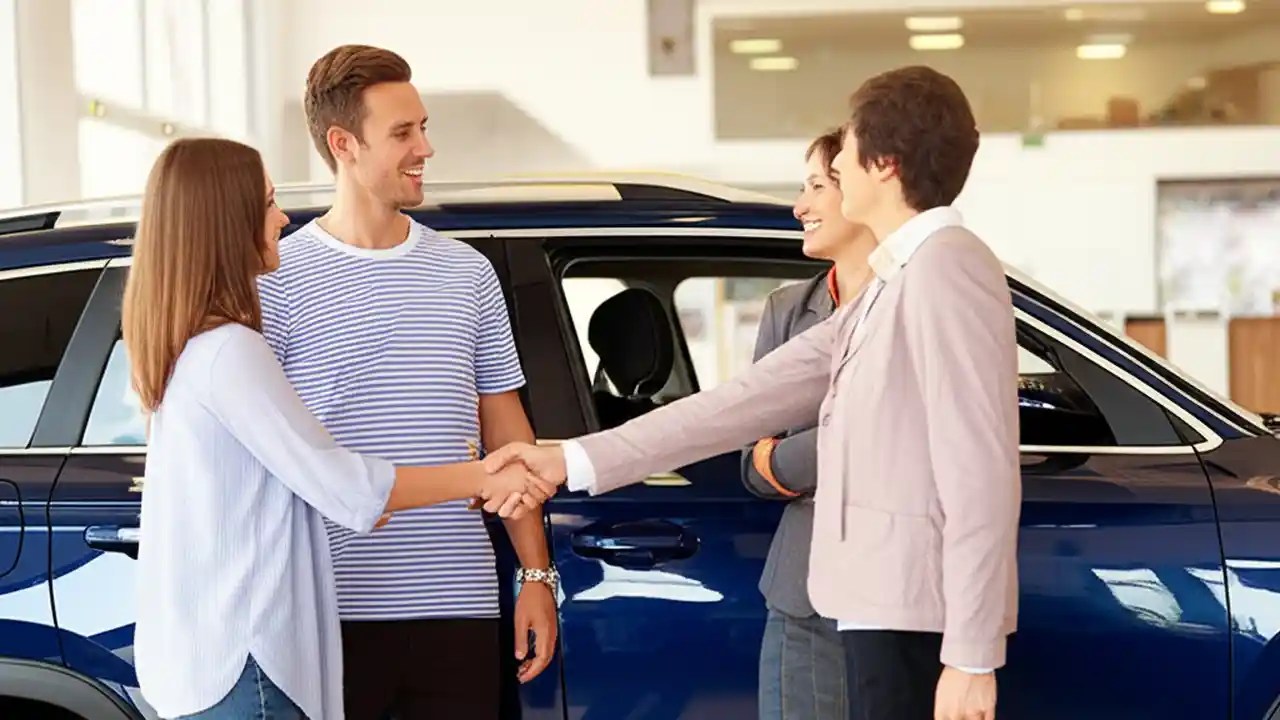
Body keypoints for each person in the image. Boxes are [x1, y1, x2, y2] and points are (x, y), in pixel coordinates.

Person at [485, 65, 1020, 720]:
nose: (837, 168)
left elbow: (980, 473)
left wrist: (971, 657)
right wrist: (570, 459)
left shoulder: (946, 267)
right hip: (874, 604)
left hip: (909, 611)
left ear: (884, 164)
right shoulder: (894, 280)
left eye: (845, 152)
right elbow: (743, 402)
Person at [125, 137, 548, 720]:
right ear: (228, 222)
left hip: (219, 661)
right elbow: (346, 485)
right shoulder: (231, 352)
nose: (282, 218)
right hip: (251, 663)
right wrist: (479, 475)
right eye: (268, 203)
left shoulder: (192, 351)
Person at [256, 44, 558, 719]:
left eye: (423, 127)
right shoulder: (274, 282)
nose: (425, 147)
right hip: (327, 605)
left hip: (459, 602)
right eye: (403, 132)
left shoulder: (467, 274)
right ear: (343, 144)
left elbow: (508, 436)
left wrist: (535, 576)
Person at [744, 127, 877, 720]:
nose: (800, 206)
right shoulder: (787, 311)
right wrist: (856, 445)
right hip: (803, 598)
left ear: (866, 190)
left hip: (899, 593)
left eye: (817, 186)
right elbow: (751, 462)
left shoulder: (922, 300)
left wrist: (796, 454)